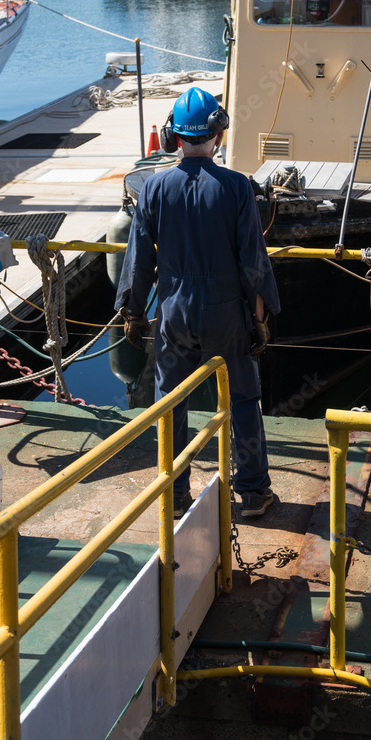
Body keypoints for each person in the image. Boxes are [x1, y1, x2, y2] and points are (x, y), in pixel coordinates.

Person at [115, 87, 281, 519]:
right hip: (226, 312)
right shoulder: (237, 187)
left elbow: (139, 258)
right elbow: (253, 261)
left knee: (171, 399)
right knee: (242, 397)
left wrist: (133, 311)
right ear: (218, 134)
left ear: (174, 136)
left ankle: (174, 494)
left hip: (174, 311)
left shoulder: (153, 188)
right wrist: (259, 318)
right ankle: (253, 492)